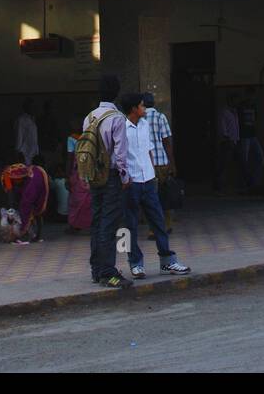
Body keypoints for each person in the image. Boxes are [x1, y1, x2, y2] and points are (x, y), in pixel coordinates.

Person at [120, 93, 190, 278]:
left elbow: (149, 149)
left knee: (158, 221)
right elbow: (118, 156)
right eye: (142, 106)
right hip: (132, 182)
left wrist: (152, 174)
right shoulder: (121, 128)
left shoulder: (144, 125)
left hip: (149, 180)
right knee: (130, 225)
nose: (145, 109)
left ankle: (167, 261)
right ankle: (135, 263)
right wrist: (124, 179)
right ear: (134, 108)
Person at [82, 73, 131, 289]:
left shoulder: (89, 117)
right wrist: (124, 177)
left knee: (97, 221)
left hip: (93, 175)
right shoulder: (117, 118)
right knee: (109, 224)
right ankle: (108, 272)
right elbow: (120, 155)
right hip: (110, 176)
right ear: (116, 93)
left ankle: (96, 270)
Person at [142, 91, 176, 231]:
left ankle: (153, 228)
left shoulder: (139, 119)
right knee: (164, 194)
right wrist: (172, 163)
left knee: (150, 197)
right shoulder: (160, 117)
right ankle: (167, 225)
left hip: (147, 164)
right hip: (161, 162)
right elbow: (167, 141)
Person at [0, 154, 50, 243]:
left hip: (32, 186)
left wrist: (11, 210)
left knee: (26, 209)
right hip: (38, 180)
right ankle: (36, 235)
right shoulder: (18, 171)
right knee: (34, 211)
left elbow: (10, 194)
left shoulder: (7, 175)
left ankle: (22, 234)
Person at [66, 116, 92, 232]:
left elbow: (70, 157)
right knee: (87, 199)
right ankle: (88, 223)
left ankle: (74, 224)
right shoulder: (88, 138)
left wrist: (67, 174)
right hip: (88, 171)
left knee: (76, 199)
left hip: (77, 172)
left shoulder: (71, 139)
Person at [215, 94, 239, 193]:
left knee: (228, 164)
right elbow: (223, 127)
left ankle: (224, 185)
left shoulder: (234, 112)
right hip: (227, 141)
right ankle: (219, 186)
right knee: (224, 164)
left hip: (234, 140)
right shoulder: (225, 112)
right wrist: (228, 139)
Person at [15, 99, 39, 166]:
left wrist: (37, 151)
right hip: (24, 152)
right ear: (26, 107)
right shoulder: (22, 119)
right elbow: (19, 135)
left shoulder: (32, 119)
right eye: (31, 106)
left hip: (33, 152)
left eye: (34, 107)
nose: (33, 108)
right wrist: (18, 151)